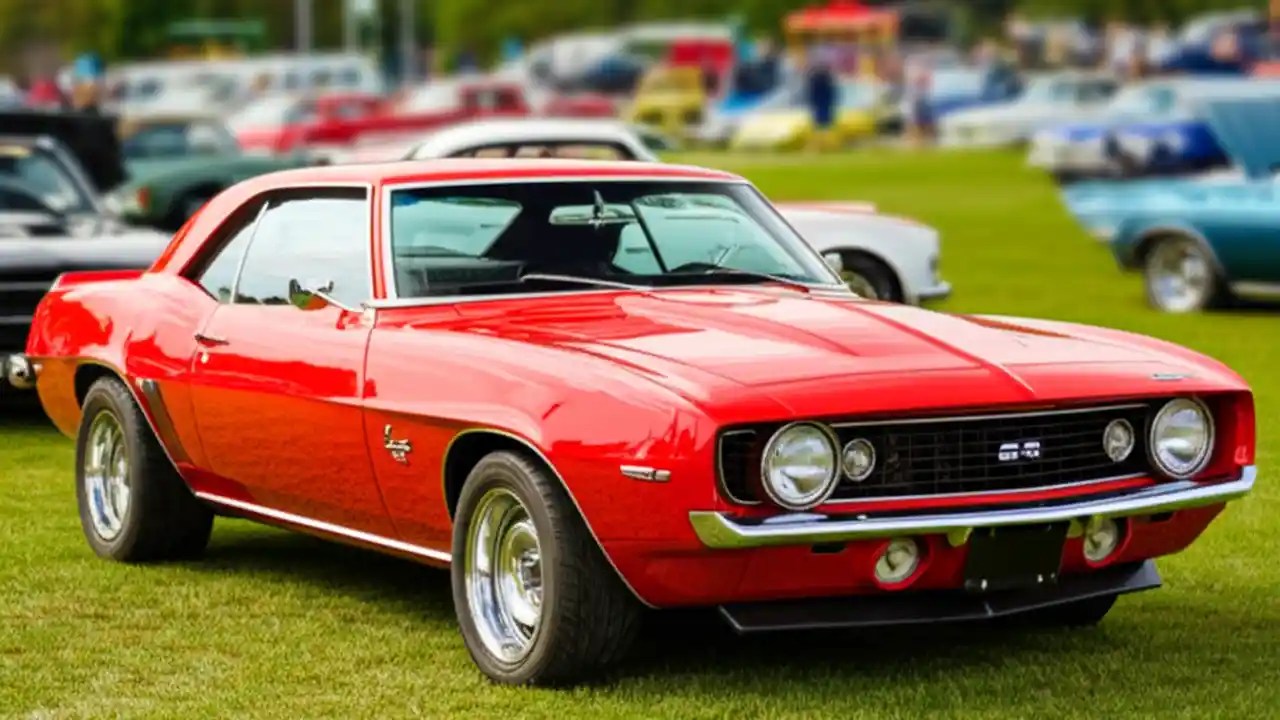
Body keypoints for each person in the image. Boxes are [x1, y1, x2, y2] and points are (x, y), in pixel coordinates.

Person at [805, 49, 837, 152]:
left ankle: (821, 145)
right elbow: (831, 91)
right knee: (824, 125)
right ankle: (824, 145)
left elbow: (812, 91)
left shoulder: (815, 76)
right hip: (823, 103)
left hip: (821, 103)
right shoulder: (824, 76)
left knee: (821, 125)